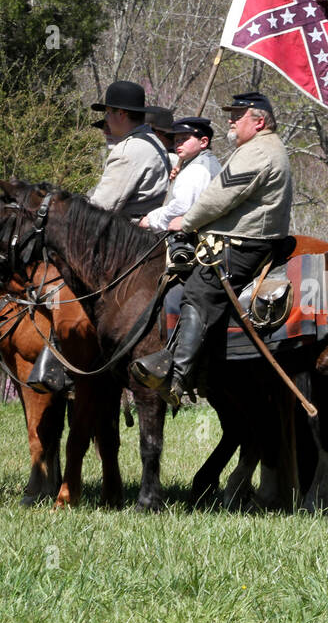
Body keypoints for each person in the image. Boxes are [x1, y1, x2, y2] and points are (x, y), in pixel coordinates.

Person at [133, 92, 293, 406]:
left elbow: (221, 197)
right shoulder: (260, 148)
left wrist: (187, 221)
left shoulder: (258, 151)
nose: (231, 121)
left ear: (258, 121)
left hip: (243, 242)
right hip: (248, 236)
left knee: (200, 290)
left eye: (237, 115)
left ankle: (177, 376)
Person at [86, 80, 172, 222]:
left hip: (131, 236)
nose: (106, 119)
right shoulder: (152, 139)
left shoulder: (128, 151)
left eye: (107, 113)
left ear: (121, 114)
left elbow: (101, 208)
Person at [140, 117, 222, 231]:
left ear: (203, 142)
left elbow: (181, 207)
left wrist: (151, 220)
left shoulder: (197, 168)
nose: (179, 144)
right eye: (176, 140)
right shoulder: (204, 162)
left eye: (184, 139)